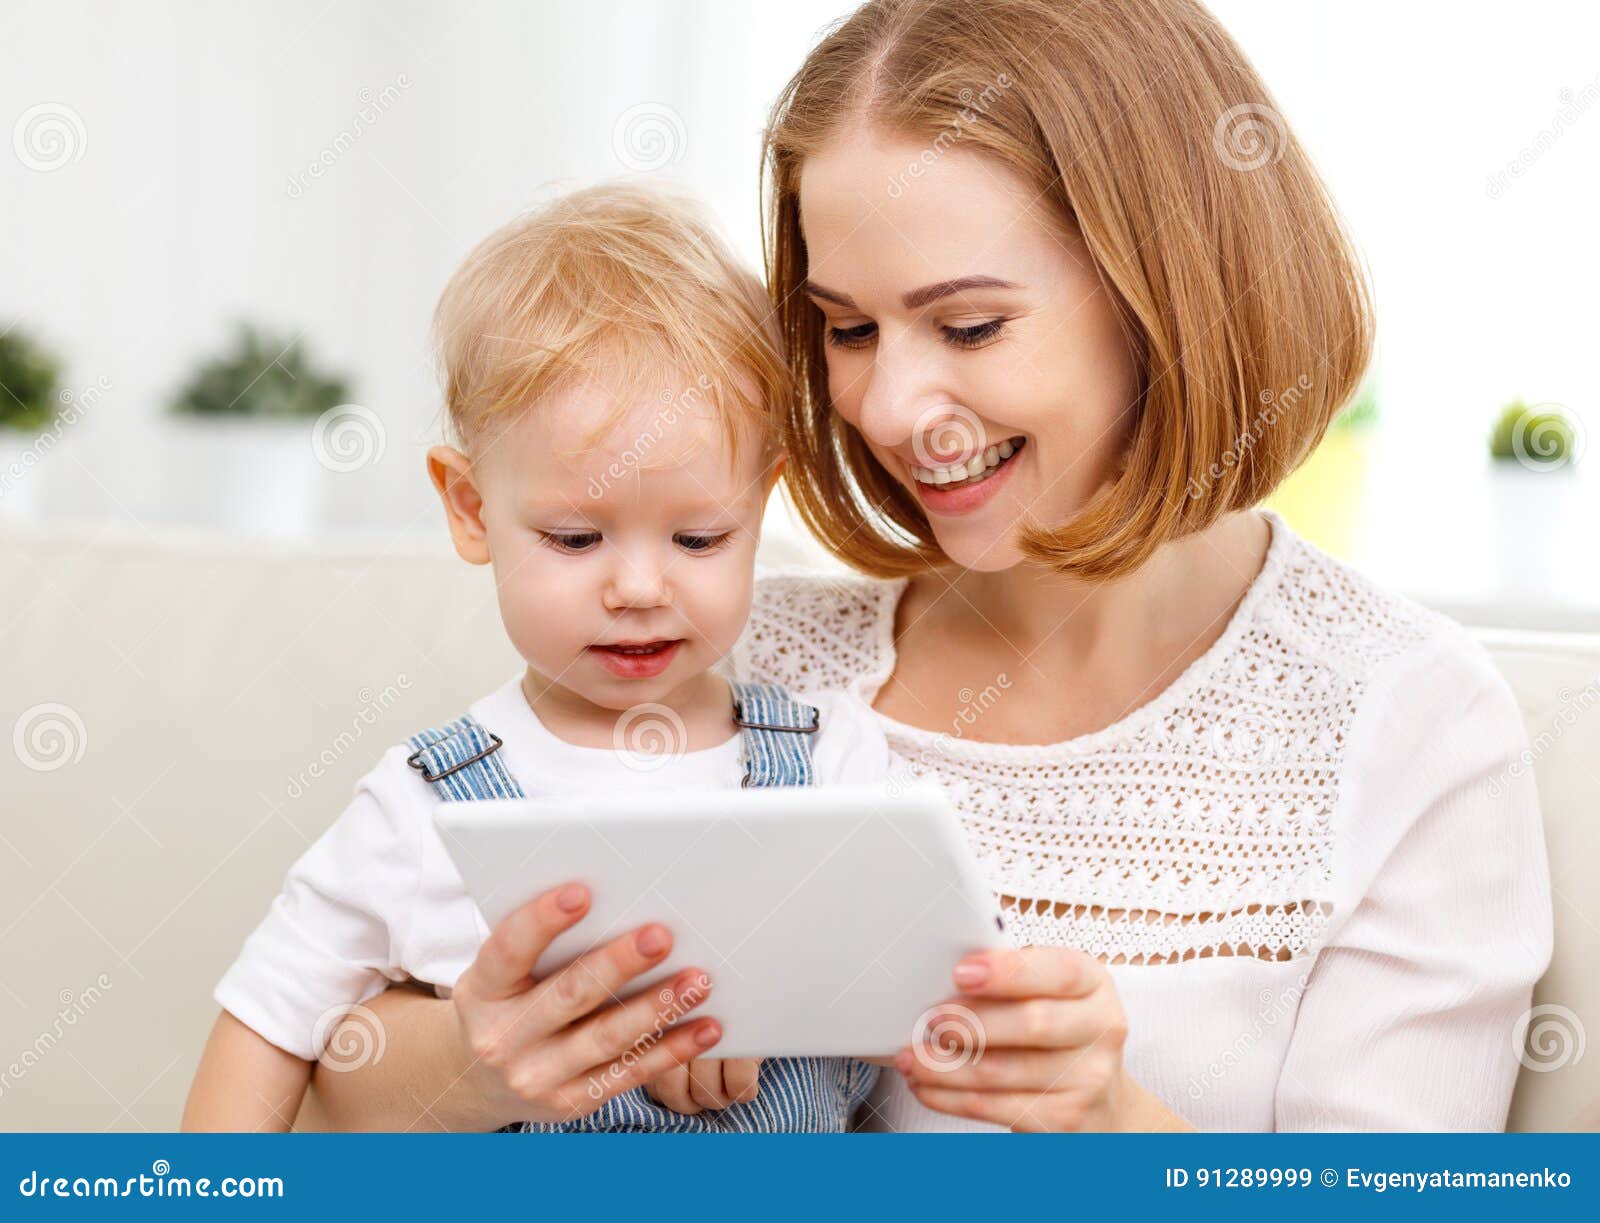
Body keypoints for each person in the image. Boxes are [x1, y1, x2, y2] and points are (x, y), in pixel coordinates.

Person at [305, 0, 1552, 1132]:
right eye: (848, 328)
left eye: (968, 324)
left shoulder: (1402, 723)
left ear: (1165, 297)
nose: (890, 406)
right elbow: (350, 1068)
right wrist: (493, 1052)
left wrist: (1114, 1122)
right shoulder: (718, 651)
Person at [181, 182, 891, 1132]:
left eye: (697, 539)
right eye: (573, 538)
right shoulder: (420, 803)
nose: (640, 588)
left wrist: (772, 994)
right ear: (470, 509)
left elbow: (940, 983)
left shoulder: (837, 765)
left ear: (760, 509)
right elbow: (271, 1019)